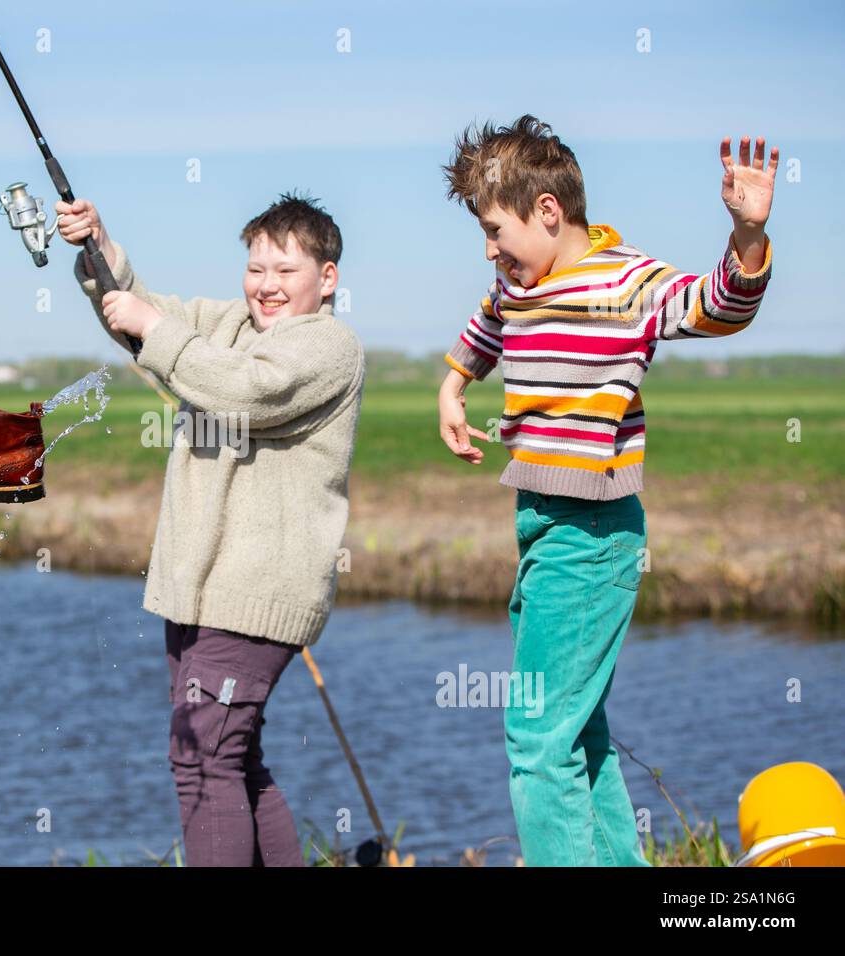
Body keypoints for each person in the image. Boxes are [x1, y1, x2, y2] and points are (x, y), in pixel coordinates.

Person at [437, 115, 776, 865]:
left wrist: (747, 238)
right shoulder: (517, 281)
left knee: (535, 737)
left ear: (548, 211)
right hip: (539, 523)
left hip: (592, 536)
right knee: (576, 729)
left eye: (496, 231)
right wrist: (454, 383)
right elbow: (492, 321)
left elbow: (717, 306)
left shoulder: (625, 280)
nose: (491, 251)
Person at [59, 192, 364, 866]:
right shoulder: (227, 326)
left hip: (254, 590)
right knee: (231, 756)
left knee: (202, 761)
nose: (267, 286)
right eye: (256, 269)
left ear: (328, 277)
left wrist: (157, 330)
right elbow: (142, 316)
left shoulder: (328, 346)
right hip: (198, 588)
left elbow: (242, 389)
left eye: (286, 271)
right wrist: (98, 248)